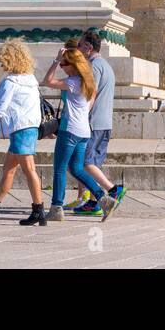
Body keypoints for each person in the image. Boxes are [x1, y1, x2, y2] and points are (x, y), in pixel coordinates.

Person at [0, 39, 46, 227]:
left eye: (2, 60)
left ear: (9, 59)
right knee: (8, 170)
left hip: (20, 129)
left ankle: (39, 210)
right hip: (29, 128)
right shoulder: (31, 80)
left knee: (29, 170)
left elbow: (0, 109)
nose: (0, 63)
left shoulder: (10, 82)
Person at [42, 40, 116, 221]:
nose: (62, 66)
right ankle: (103, 198)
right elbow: (91, 102)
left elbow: (47, 81)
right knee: (76, 168)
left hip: (70, 130)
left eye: (64, 64)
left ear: (73, 65)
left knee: (59, 169)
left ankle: (56, 207)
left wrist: (54, 60)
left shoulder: (73, 82)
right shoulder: (88, 81)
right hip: (84, 131)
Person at [68, 30, 126, 216]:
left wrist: (83, 114)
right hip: (105, 121)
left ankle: (113, 190)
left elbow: (90, 93)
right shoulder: (106, 65)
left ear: (88, 47)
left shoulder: (93, 66)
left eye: (80, 45)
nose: (77, 49)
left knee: (84, 162)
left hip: (93, 121)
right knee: (94, 163)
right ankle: (94, 202)